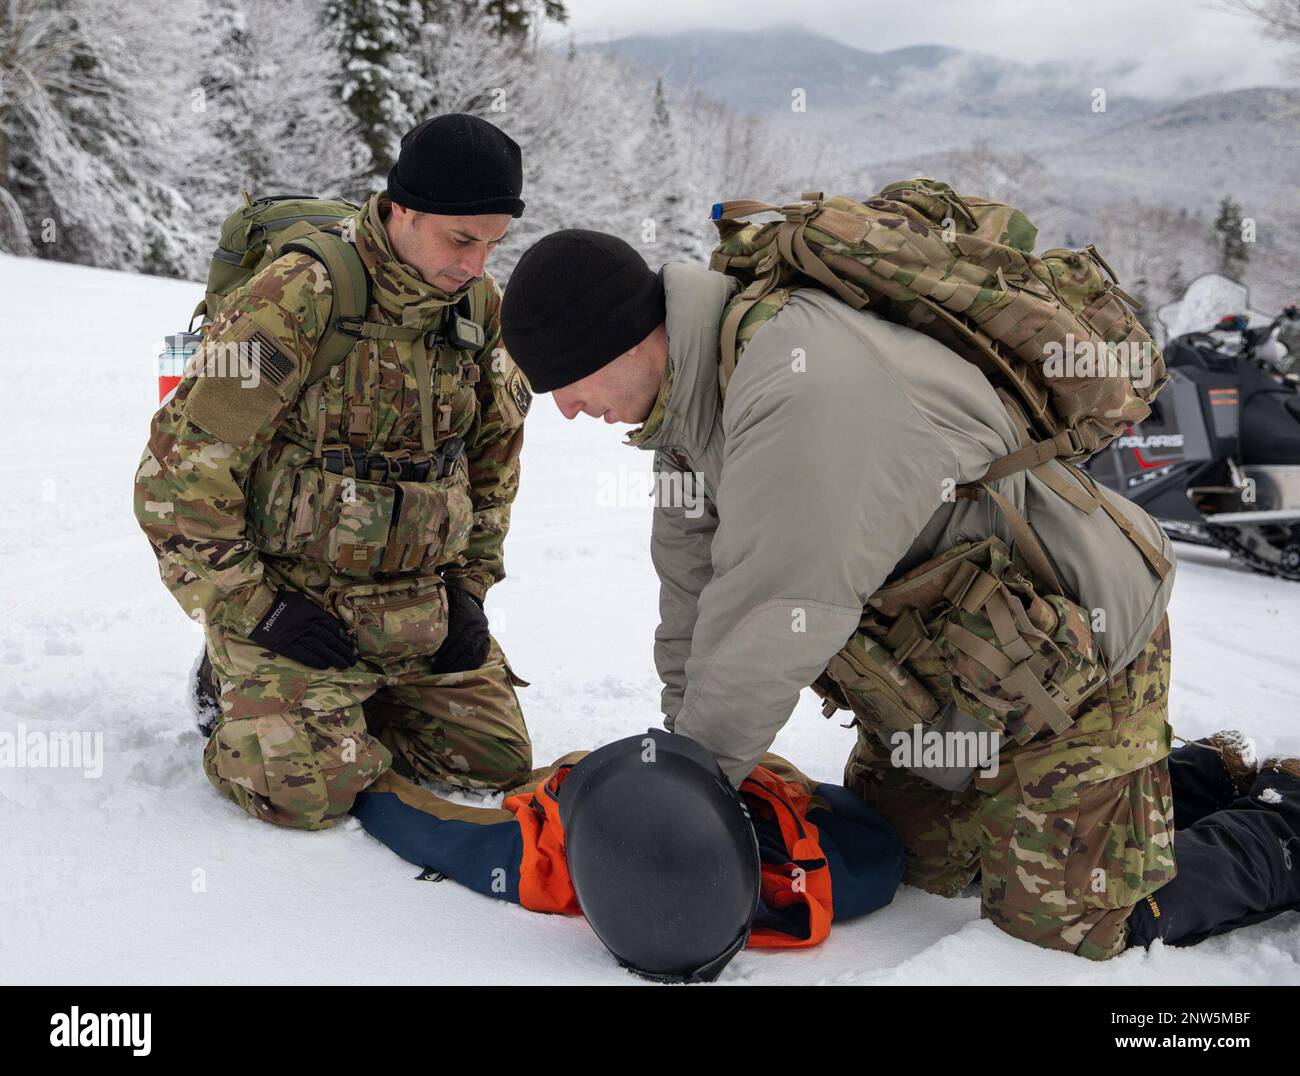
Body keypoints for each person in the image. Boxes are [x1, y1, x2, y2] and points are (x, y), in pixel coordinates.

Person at [496, 228, 1300, 957]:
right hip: (953, 685)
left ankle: (1280, 820)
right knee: (910, 862)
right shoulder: (687, 416)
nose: (566, 411)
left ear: (629, 337)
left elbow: (780, 613)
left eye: (567, 382)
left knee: (1070, 920)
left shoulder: (799, 386)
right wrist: (686, 765)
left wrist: (684, 801)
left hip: (1078, 660)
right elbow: (693, 601)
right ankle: (1188, 780)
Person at [134, 114, 533, 830]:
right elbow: (179, 476)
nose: (475, 264)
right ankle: (234, 683)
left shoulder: (476, 308)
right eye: (461, 239)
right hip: (295, 601)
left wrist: (469, 589)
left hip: (417, 605)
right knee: (305, 793)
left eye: (493, 244)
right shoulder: (301, 293)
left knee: (490, 761)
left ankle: (344, 703)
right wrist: (256, 609)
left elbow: (494, 462)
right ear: (404, 209)